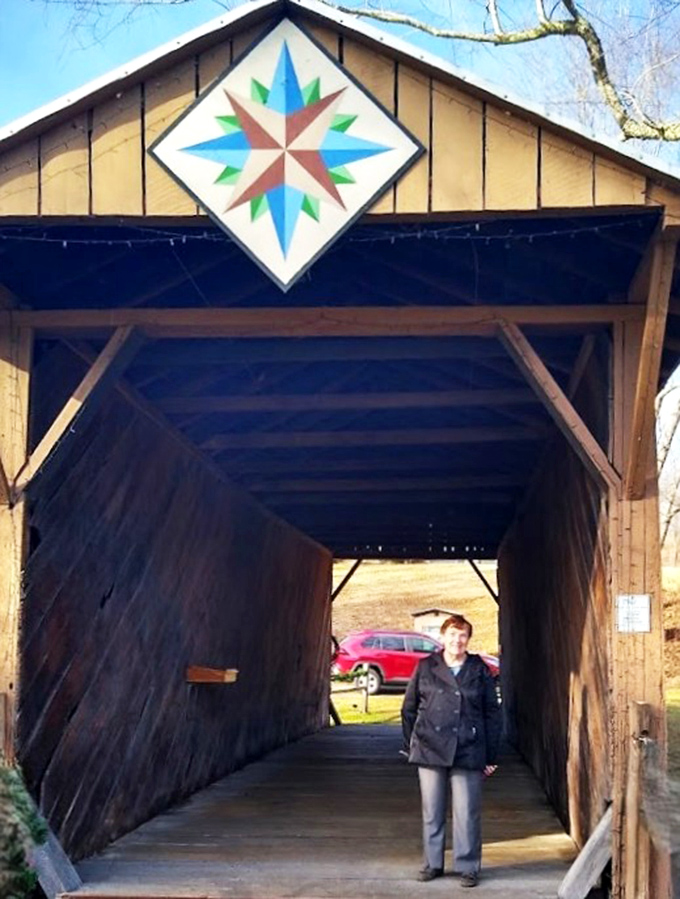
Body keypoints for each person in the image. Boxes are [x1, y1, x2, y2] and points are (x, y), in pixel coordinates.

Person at [401, 613, 502, 889]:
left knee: (466, 810)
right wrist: (413, 743)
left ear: (468, 639)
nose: (457, 640)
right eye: (452, 634)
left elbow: (492, 713)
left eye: (463, 635)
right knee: (432, 809)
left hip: (468, 748)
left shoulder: (479, 669)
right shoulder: (425, 667)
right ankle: (432, 863)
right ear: (442, 637)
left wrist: (491, 755)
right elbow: (409, 708)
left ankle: (468, 866)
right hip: (430, 749)